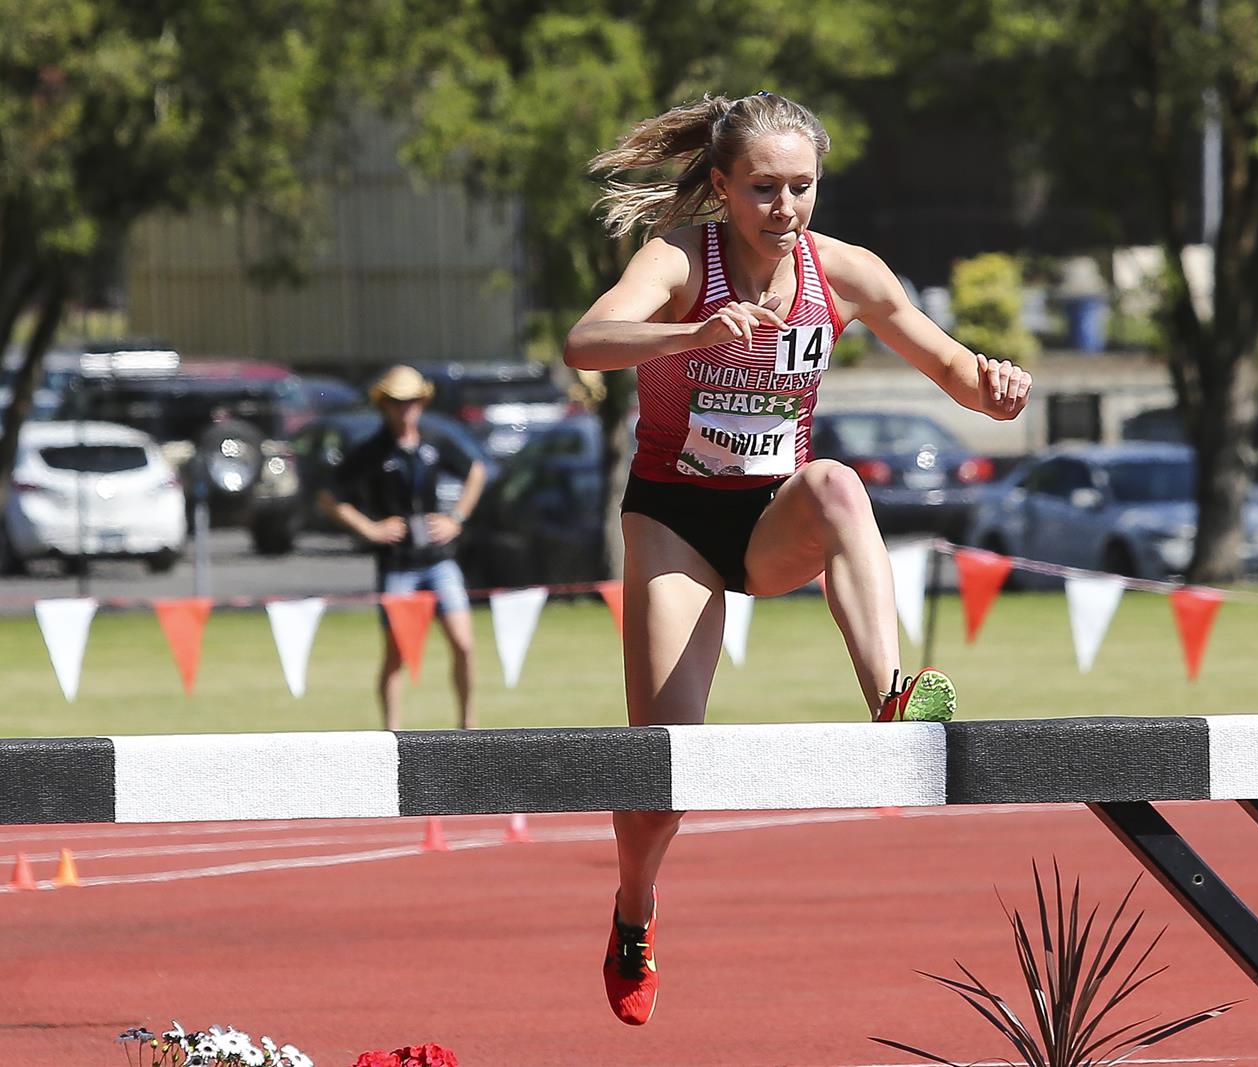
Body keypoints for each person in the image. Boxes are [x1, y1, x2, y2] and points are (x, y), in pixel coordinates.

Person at [565, 91, 1032, 1026]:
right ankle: (633, 905)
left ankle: (891, 696)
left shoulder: (844, 272)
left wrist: (996, 388)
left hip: (774, 517)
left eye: (802, 188)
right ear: (723, 188)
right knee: (662, 775)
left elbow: (951, 370)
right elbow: (587, 341)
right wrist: (693, 333)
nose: (786, 210)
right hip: (676, 521)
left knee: (840, 485)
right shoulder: (677, 261)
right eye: (766, 190)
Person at [318, 365, 487, 731]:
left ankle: (468, 725)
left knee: (464, 643)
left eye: (411, 401)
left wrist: (456, 517)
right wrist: (369, 528)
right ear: (385, 405)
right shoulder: (372, 451)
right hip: (398, 565)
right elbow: (330, 497)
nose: (405, 408)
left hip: (439, 560)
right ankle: (392, 731)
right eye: (397, 402)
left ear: (422, 402)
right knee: (396, 654)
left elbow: (476, 471)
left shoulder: (435, 440)